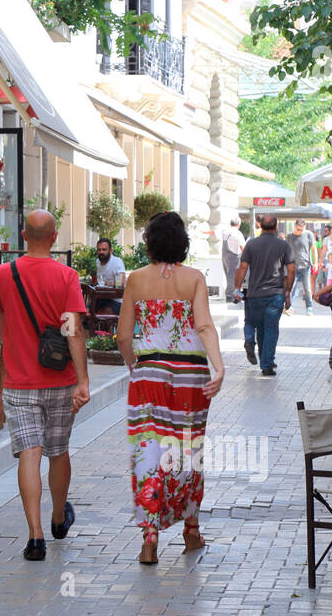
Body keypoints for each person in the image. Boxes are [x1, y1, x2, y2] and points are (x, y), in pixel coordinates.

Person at [117, 211, 225, 564]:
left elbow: (123, 335)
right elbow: (205, 326)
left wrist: (136, 365)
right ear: (182, 242)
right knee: (188, 451)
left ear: (149, 242)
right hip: (191, 374)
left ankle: (150, 537)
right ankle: (190, 530)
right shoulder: (194, 278)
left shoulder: (135, 279)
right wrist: (218, 367)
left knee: (148, 450)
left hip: (150, 372)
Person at [0, 210, 89, 561]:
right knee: (57, 451)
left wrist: (15, 343)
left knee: (29, 454)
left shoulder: (3, 273)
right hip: (59, 379)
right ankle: (59, 517)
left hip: (19, 381)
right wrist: (83, 379)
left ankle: (35, 536)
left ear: (24, 235)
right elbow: (71, 330)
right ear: (55, 236)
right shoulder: (67, 275)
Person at [234, 214, 295, 377]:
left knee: (260, 327)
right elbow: (291, 269)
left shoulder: (251, 244)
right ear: (276, 227)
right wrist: (288, 291)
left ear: (260, 226)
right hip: (275, 293)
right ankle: (266, 364)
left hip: (255, 293)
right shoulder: (283, 245)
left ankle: (262, 356)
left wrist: (236, 288)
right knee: (270, 329)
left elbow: (242, 267)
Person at [285, 219, 316, 315]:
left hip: (305, 265)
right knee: (291, 288)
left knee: (307, 288)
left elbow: (313, 248)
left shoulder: (308, 234)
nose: (299, 232)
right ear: (294, 226)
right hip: (293, 266)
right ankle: (290, 307)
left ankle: (309, 306)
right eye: (298, 229)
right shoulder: (289, 236)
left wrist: (316, 262)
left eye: (301, 230)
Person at [93, 237, 126, 314]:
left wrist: (110, 284)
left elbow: (121, 282)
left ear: (111, 250)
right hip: (101, 298)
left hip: (116, 300)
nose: (101, 252)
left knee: (103, 314)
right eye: (99, 249)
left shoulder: (117, 262)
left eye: (104, 249)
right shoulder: (98, 262)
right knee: (85, 312)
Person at [220, 217, 245, 302]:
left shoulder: (225, 231)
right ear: (239, 225)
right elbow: (242, 247)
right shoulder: (237, 233)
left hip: (224, 256)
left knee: (228, 276)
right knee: (234, 278)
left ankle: (235, 295)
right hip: (233, 257)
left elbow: (215, 232)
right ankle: (230, 296)